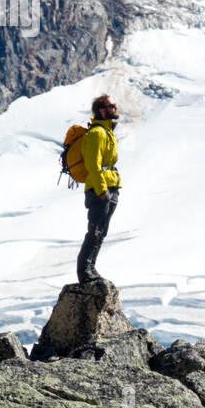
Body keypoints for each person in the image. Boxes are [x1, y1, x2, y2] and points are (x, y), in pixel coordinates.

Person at [76, 94, 122, 283]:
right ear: (102, 110)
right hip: (100, 190)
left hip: (109, 186)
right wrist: (102, 190)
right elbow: (93, 164)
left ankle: (90, 268)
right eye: (112, 106)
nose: (116, 108)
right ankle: (85, 271)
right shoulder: (96, 134)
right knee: (95, 230)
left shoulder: (106, 132)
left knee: (101, 231)